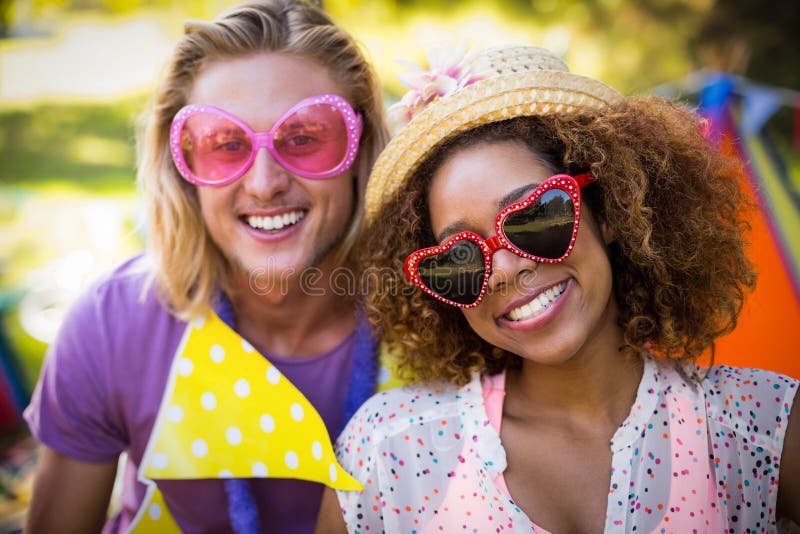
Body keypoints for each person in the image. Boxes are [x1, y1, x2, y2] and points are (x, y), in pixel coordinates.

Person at [315, 44, 800, 532]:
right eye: (459, 257)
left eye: (534, 217)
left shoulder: (763, 429)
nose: (503, 269)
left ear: (609, 209)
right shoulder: (388, 453)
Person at [22, 1, 394, 532]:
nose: (264, 182)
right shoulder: (112, 327)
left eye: (305, 138)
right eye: (224, 145)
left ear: (359, 149)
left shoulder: (436, 322)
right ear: (183, 168)